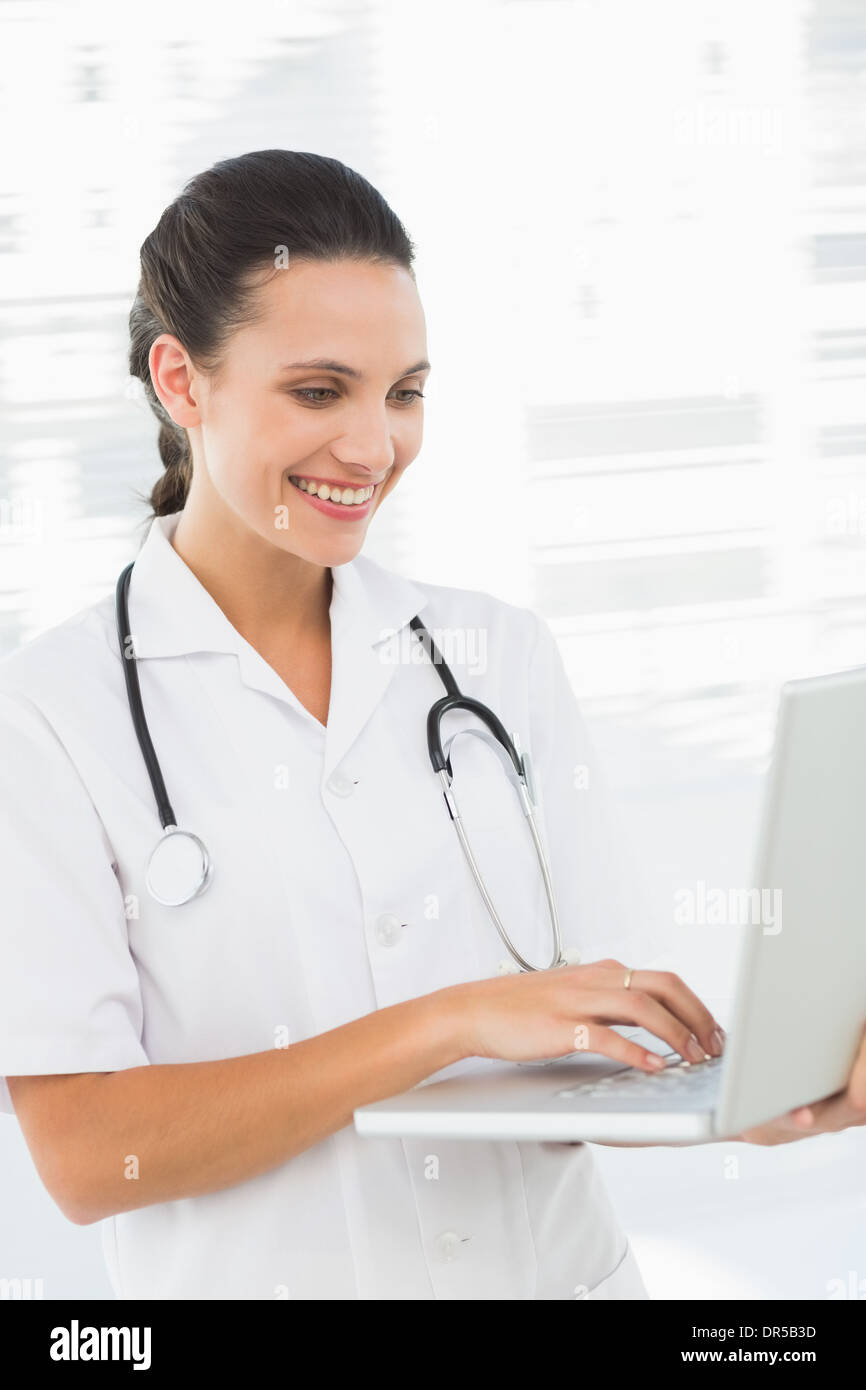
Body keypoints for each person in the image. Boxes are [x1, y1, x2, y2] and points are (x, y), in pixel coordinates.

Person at [1, 150, 862, 1302]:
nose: (372, 446)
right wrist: (448, 1021)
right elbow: (87, 1158)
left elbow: (581, 1041)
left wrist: (749, 1097)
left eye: (403, 392)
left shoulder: (497, 655)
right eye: (318, 391)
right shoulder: (51, 714)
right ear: (180, 379)